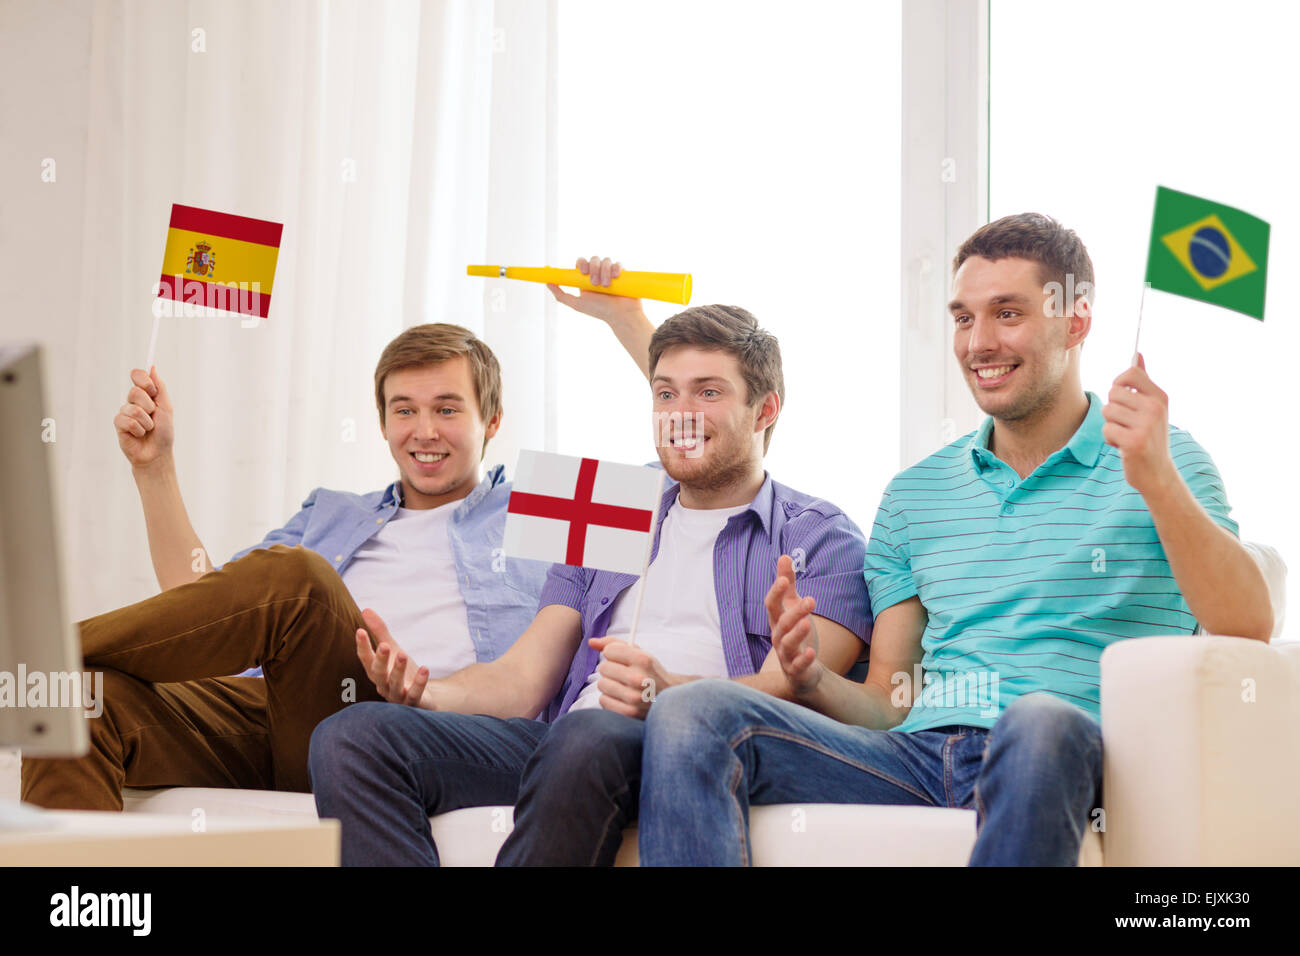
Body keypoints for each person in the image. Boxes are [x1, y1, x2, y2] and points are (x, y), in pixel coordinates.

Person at [634, 213, 1273, 866]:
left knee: (1039, 719)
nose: (978, 343)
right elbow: (887, 701)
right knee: (695, 712)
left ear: (1076, 321)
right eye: (964, 318)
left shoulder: (1165, 459)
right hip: (916, 756)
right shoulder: (915, 495)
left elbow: (1247, 621)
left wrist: (1157, 481)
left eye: (1007, 314)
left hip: (1060, 749)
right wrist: (811, 679)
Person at [307, 295, 873, 866]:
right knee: (352, 735)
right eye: (665, 393)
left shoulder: (819, 536)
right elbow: (522, 679)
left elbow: (795, 685)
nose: (680, 413)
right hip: (565, 742)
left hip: (687, 748)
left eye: (708, 392)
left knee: (591, 736)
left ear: (766, 409)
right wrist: (426, 692)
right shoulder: (619, 504)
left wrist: (670, 691)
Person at [21, 323, 551, 809]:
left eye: (448, 409)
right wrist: (154, 467)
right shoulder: (334, 512)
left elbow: (636, 504)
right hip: (279, 716)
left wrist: (627, 320)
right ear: (384, 421)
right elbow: (204, 606)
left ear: (493, 420)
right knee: (79, 697)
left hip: (413, 732)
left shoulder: (538, 514)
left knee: (302, 580)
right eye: (405, 410)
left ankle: (25, 657)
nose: (424, 431)